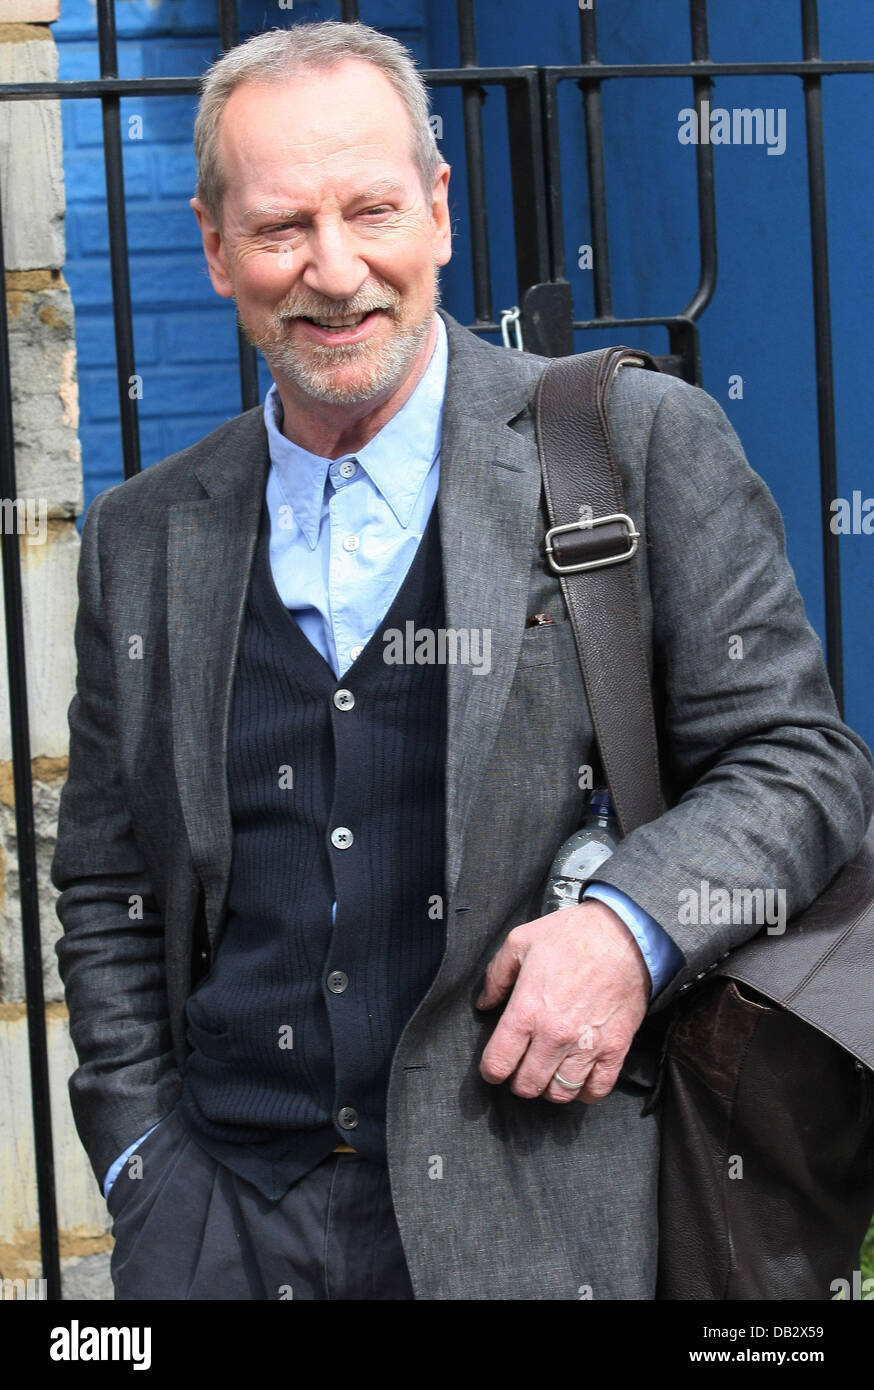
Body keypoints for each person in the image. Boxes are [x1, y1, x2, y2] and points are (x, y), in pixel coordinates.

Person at [51, 20, 874, 1301]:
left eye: (370, 209)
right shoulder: (146, 532)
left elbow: (800, 763)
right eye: (280, 229)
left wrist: (629, 928)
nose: (334, 271)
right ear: (214, 249)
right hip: (219, 1230)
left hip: (547, 1221)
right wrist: (140, 1157)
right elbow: (108, 880)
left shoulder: (633, 447)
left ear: (436, 212)